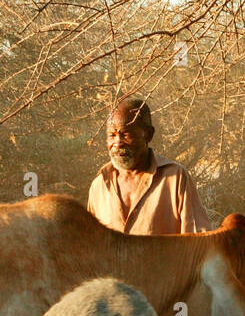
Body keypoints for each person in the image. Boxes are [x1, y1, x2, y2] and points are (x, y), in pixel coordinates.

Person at [87, 95, 212, 234]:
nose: (117, 143)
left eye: (126, 134)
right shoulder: (99, 186)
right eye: (111, 135)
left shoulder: (175, 179)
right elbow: (90, 247)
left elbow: (198, 241)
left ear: (148, 135)